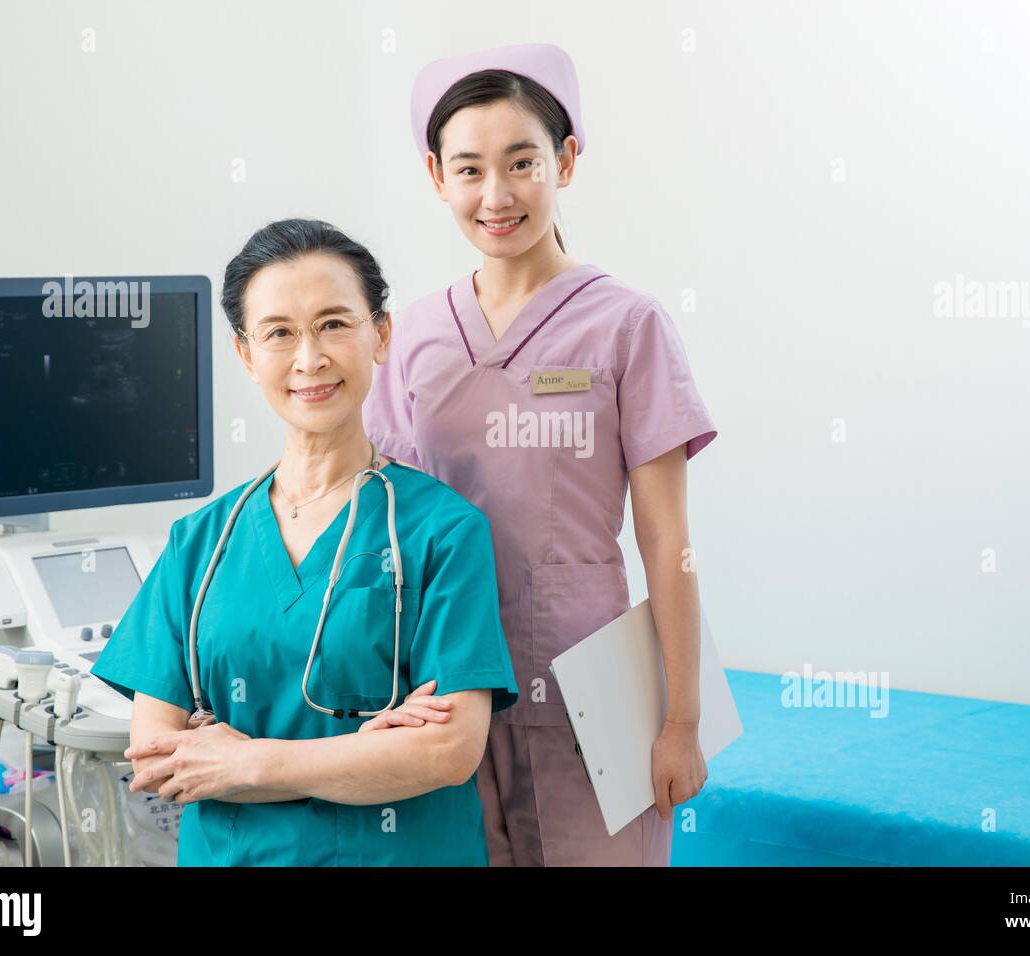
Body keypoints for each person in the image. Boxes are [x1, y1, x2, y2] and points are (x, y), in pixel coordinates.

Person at [362, 43, 718, 866]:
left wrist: (681, 720)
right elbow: (389, 522)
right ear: (436, 176)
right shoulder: (415, 335)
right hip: (448, 680)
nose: (497, 195)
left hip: (594, 678)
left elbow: (668, 539)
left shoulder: (628, 325)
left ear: (564, 160)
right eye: (470, 169)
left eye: (522, 162)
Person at [90, 218, 519, 866]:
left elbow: (446, 751)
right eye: (279, 333)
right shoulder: (201, 543)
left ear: (380, 333)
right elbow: (157, 758)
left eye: (334, 323)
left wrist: (246, 763)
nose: (309, 358)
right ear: (245, 354)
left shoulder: (443, 532)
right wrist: (363, 754)